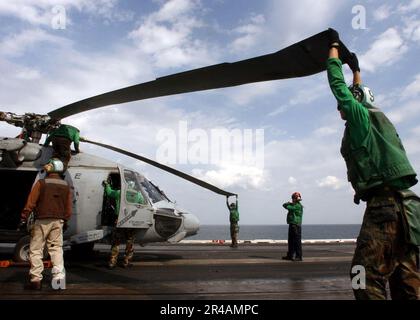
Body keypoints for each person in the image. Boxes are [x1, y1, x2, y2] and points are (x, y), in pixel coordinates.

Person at [326, 28, 420, 299]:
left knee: (362, 275)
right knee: (406, 279)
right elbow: (357, 92)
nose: (339, 109)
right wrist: (355, 67)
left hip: (385, 208)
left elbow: (338, 87)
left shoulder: (358, 118)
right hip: (411, 211)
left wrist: (332, 49)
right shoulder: (380, 120)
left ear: (355, 102)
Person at [19, 158, 72, 290]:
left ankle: (36, 280)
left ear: (50, 168)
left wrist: (24, 217)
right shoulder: (66, 186)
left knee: (36, 249)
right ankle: (58, 280)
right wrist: (65, 220)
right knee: (56, 249)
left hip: (42, 220)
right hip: (58, 221)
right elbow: (69, 207)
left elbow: (31, 202)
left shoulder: (41, 183)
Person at [102, 179, 145, 268]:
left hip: (119, 220)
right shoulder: (138, 195)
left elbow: (109, 192)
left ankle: (112, 262)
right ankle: (126, 261)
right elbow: (142, 205)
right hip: (131, 222)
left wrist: (107, 184)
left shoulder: (119, 192)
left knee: (116, 242)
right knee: (130, 242)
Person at [282, 192, 303, 261]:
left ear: (295, 199)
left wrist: (289, 203)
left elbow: (285, 206)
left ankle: (298, 256)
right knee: (291, 241)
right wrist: (290, 203)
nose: (292, 199)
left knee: (296, 241)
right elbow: (284, 205)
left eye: (293, 198)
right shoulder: (295, 205)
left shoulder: (297, 206)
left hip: (296, 225)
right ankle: (290, 255)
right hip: (292, 224)